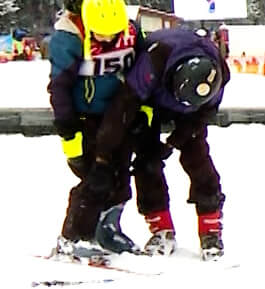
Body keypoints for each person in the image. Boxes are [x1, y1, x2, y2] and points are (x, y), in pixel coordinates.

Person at [91, 25, 231, 258]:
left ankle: (211, 229)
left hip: (192, 113)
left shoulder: (218, 76)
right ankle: (160, 228)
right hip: (151, 101)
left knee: (198, 158)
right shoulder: (154, 59)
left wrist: (174, 141)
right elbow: (123, 106)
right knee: (147, 160)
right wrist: (103, 154)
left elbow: (203, 116)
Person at [48, 0, 144, 257]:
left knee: (121, 175)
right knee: (95, 177)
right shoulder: (68, 39)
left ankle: (108, 228)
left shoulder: (130, 33)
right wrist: (66, 127)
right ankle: (74, 234)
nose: (110, 37)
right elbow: (59, 86)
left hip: (119, 113)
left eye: (115, 32)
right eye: (103, 33)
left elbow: (142, 68)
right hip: (84, 117)